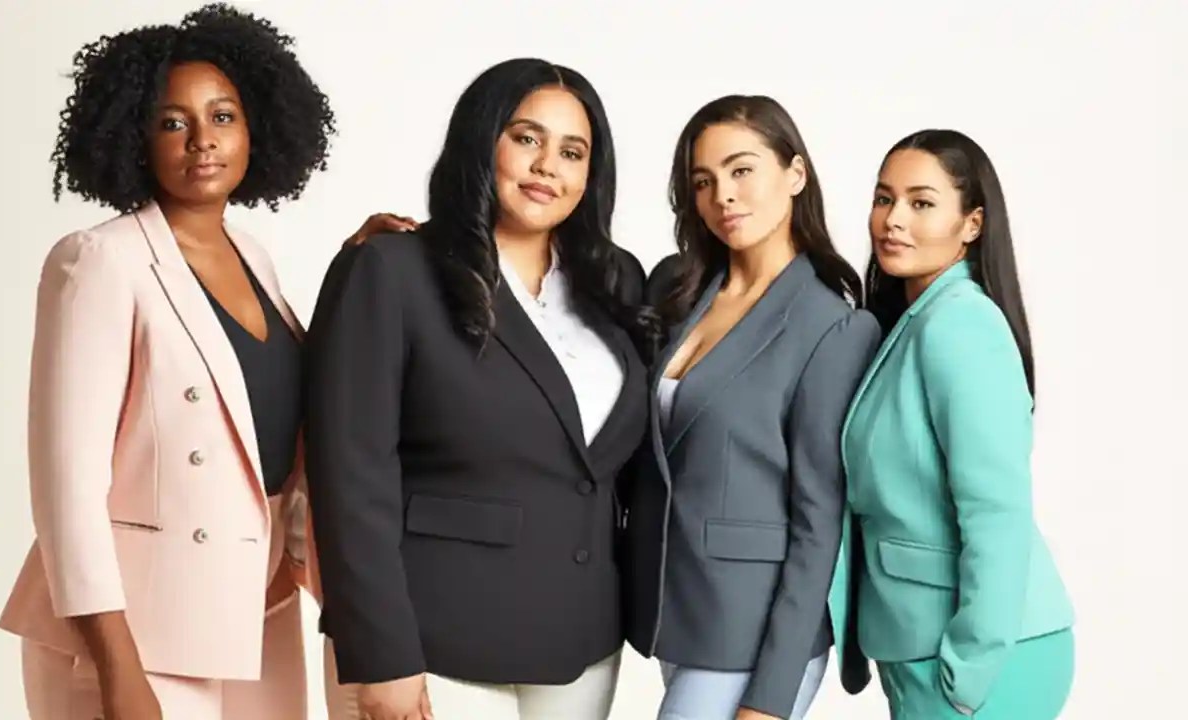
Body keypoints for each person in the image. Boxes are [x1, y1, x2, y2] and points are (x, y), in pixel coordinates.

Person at [0, 4, 353, 718]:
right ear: (134, 135)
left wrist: (364, 260)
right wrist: (118, 666)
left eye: (223, 116)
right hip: (135, 632)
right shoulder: (99, 260)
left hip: (255, 614)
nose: (202, 141)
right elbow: (67, 489)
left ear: (258, 127)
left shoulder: (253, 256)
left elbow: (280, 424)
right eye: (172, 122)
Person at [303, 57, 654, 720]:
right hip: (432, 648)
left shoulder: (618, 283)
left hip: (580, 648)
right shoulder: (390, 270)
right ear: (480, 140)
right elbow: (350, 476)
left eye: (572, 151)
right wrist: (380, 654)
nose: (548, 165)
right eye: (527, 138)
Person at [622, 95, 881, 720]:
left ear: (795, 174)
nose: (723, 197)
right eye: (704, 182)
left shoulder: (833, 326)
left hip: (757, 633)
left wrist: (770, 697)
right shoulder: (678, 291)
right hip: (674, 613)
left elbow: (820, 523)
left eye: (742, 171)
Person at [828, 129, 1075, 719]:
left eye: (922, 202)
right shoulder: (914, 321)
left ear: (972, 224)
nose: (892, 219)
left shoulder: (959, 325)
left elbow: (997, 511)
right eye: (884, 198)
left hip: (980, 657)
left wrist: (968, 669)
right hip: (919, 646)